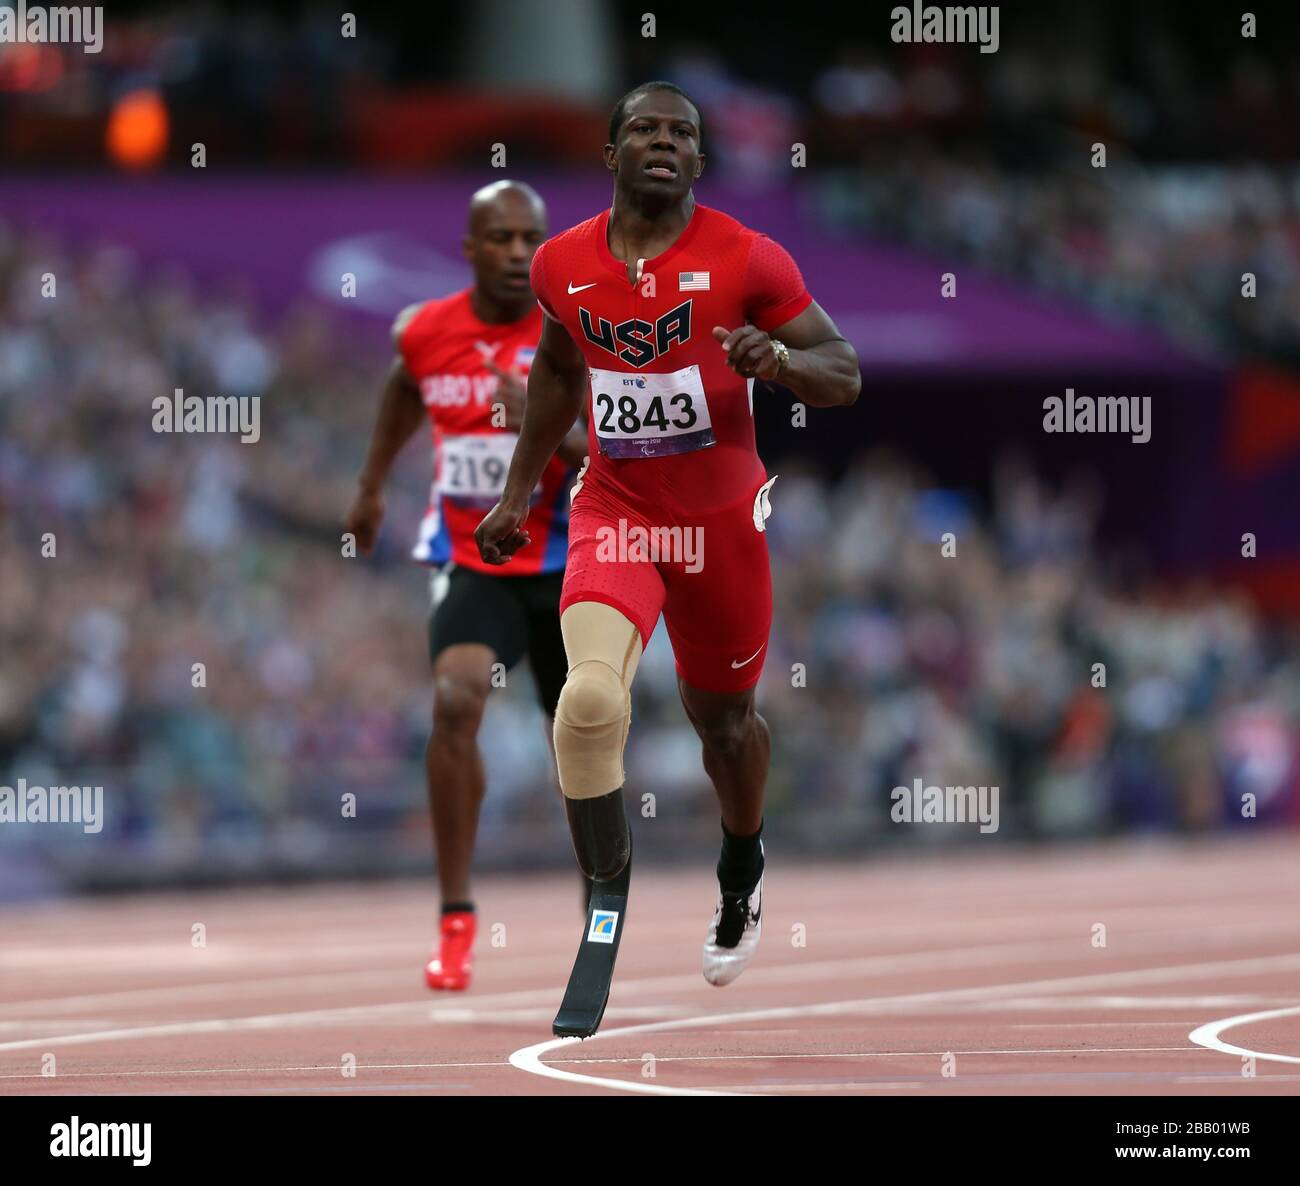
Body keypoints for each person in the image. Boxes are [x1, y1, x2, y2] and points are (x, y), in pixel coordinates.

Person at [475, 83, 860, 989]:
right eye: (644, 129)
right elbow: (560, 370)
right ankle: (608, 884)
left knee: (723, 723)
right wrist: (517, 492)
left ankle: (742, 866)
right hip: (615, 508)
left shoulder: (748, 257)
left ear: (698, 161)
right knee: (591, 699)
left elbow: (843, 372)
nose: (663, 141)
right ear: (611, 155)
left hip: (720, 525)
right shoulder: (561, 265)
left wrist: (784, 362)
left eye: (681, 133)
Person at [346, 180, 588, 991]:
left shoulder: (578, 333)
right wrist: (373, 484)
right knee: (455, 702)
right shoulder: (424, 331)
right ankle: (456, 920)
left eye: (531, 239)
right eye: (502, 238)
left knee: (582, 739)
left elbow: (616, 460)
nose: (519, 253)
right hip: (473, 560)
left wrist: (544, 426)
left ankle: (602, 910)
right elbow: (403, 390)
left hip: (568, 569)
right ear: (471, 249)